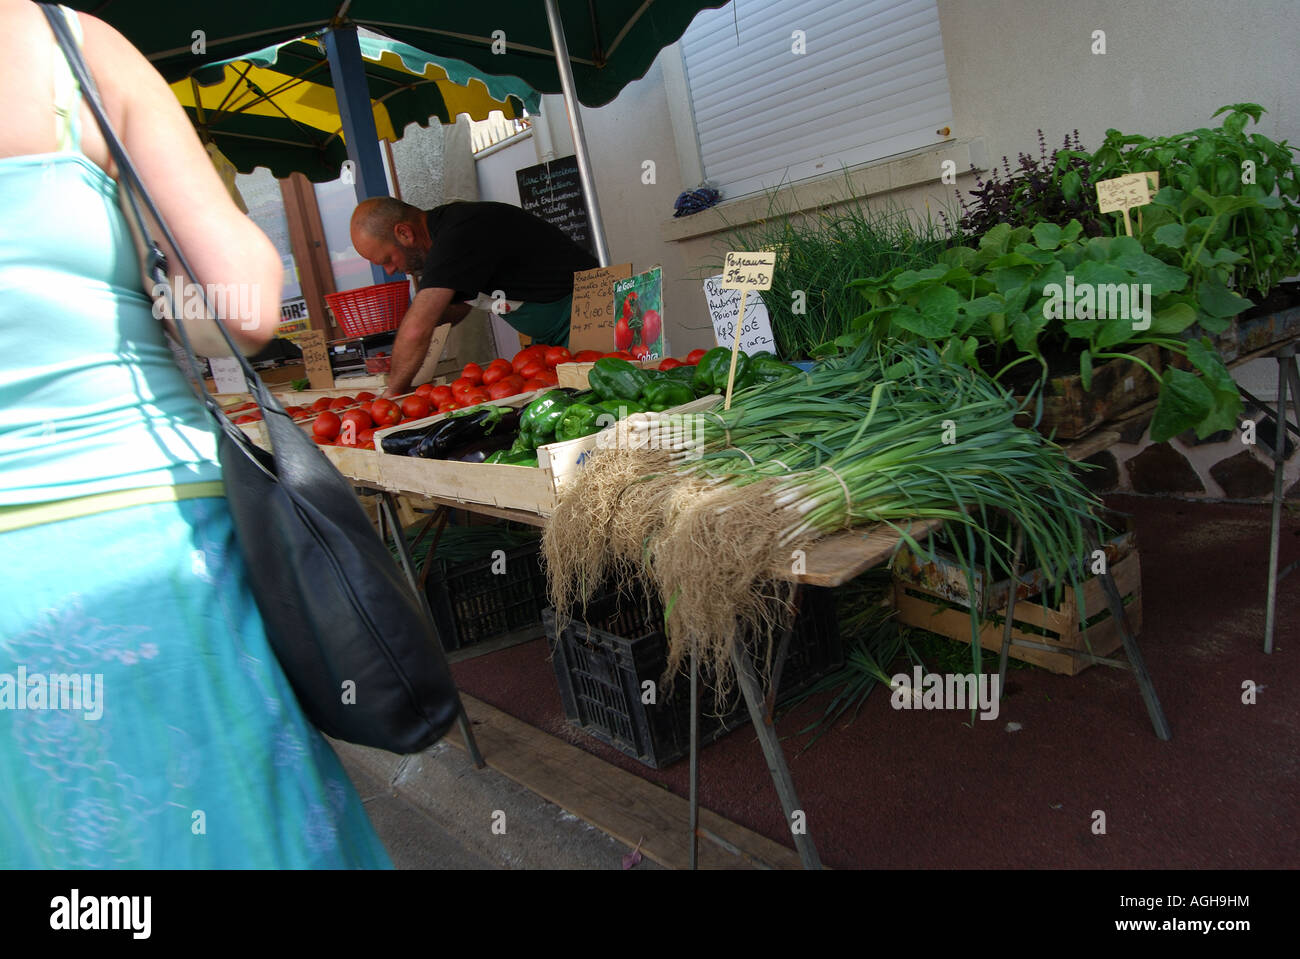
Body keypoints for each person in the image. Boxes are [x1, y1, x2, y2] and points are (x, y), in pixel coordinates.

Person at [0, 0, 392, 868]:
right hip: (153, 540)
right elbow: (241, 311)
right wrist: (161, 279)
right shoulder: (71, 45)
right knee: (246, 817)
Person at [350, 197, 599, 396]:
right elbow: (456, 307)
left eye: (387, 260)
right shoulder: (445, 238)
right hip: (550, 339)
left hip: (585, 316)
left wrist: (393, 393)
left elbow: (417, 329)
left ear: (404, 233)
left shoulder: (457, 234)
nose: (390, 270)